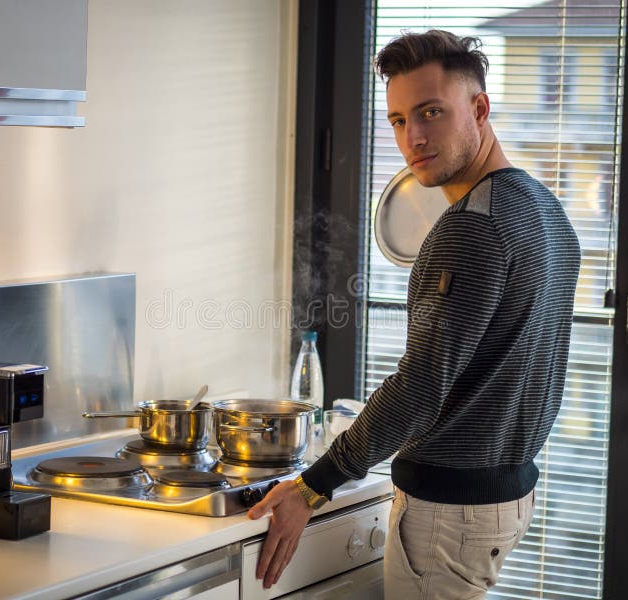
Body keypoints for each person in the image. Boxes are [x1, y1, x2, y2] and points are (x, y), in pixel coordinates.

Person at [247, 29, 581, 599]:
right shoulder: (543, 208)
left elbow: (421, 385)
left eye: (430, 112)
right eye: (399, 120)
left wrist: (313, 485)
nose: (413, 138)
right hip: (504, 495)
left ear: (479, 108)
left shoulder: (470, 227)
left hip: (450, 511)